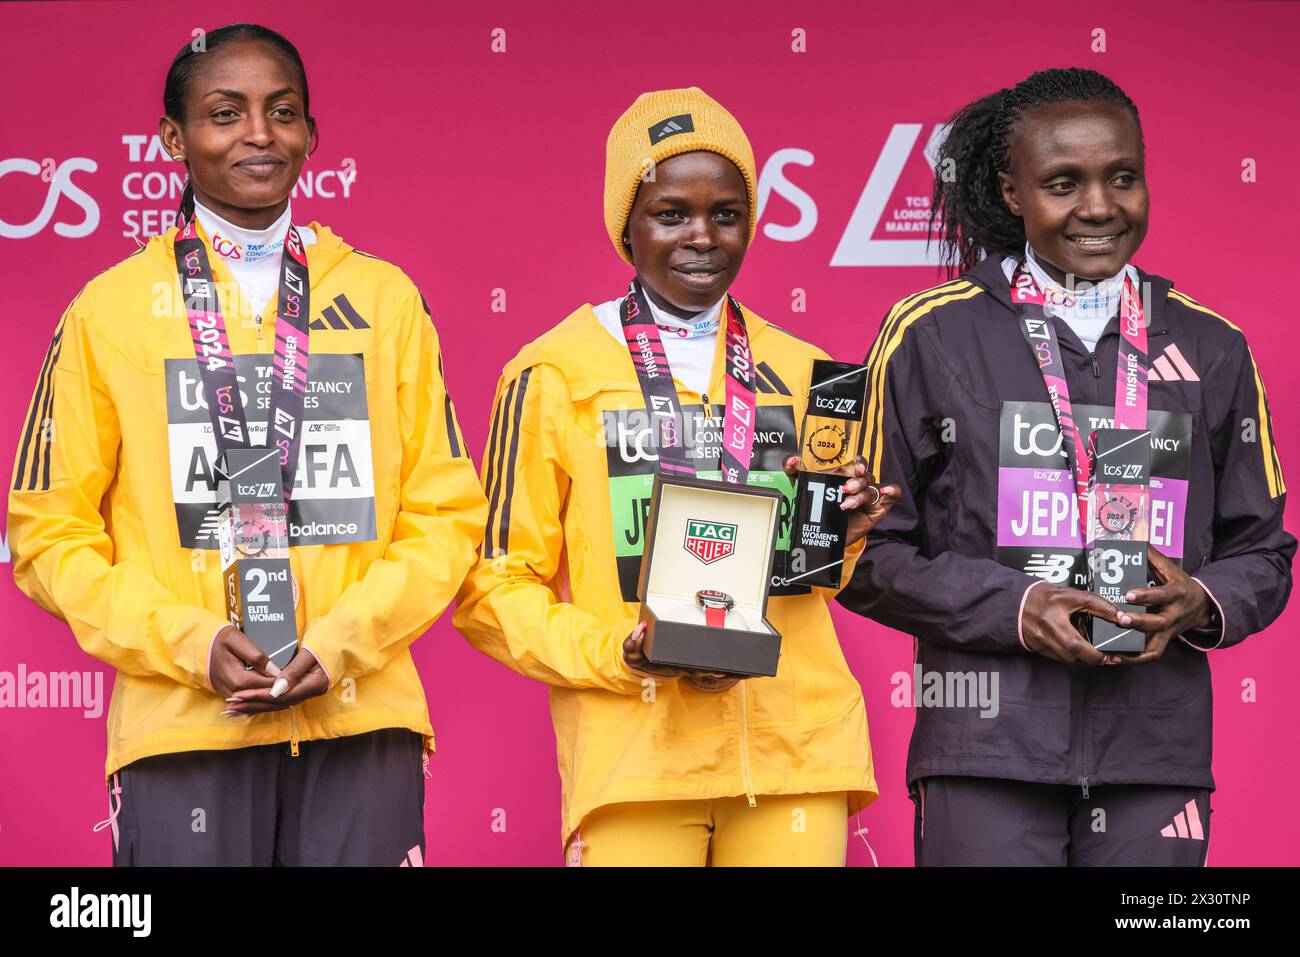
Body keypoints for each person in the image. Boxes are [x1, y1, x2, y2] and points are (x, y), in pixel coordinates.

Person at [7, 23, 488, 866]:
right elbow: (48, 534)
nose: (258, 134)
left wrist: (341, 642)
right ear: (173, 138)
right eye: (225, 113)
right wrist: (189, 643)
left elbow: (446, 515)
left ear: (312, 135)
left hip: (359, 716)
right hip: (183, 730)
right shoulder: (110, 311)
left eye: (283, 112)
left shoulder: (384, 298)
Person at [840, 67, 1294, 866]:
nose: (1098, 206)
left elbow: (1263, 550)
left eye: (1122, 176)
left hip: (1155, 753)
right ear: (1012, 193)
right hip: (985, 749)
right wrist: (1015, 607)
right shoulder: (930, 336)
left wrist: (1202, 598)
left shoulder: (1214, 347)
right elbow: (863, 554)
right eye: (1063, 182)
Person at [453, 87, 898, 867]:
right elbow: (493, 592)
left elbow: (813, 577)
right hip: (638, 758)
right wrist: (620, 650)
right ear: (626, 223)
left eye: (726, 213)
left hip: (796, 751)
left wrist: (845, 533)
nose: (702, 236)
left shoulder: (805, 372)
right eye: (671, 213)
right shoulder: (553, 372)